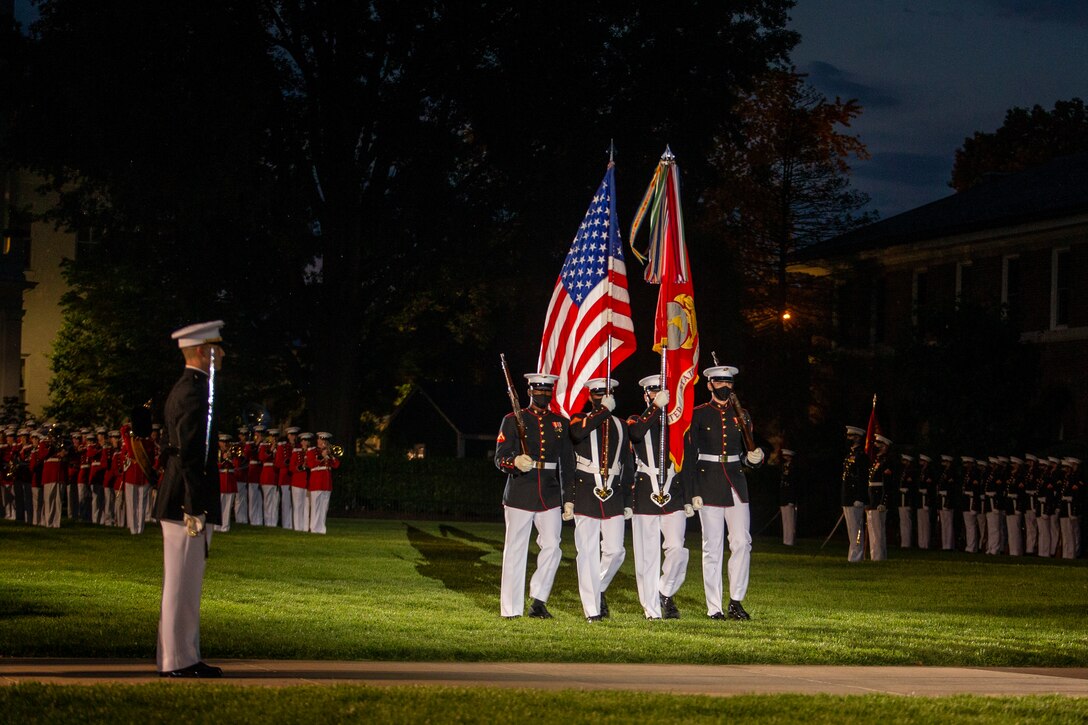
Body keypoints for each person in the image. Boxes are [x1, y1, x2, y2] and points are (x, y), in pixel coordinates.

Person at [153, 320, 225, 678]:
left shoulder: (193, 389)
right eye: (216, 348)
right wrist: (194, 505)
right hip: (185, 501)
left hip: (184, 498)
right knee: (181, 585)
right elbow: (188, 455)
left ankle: (183, 656)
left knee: (185, 584)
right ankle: (177, 660)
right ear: (201, 351)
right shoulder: (192, 392)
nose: (221, 353)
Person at [684, 365, 764, 621]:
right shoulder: (698, 414)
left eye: (729, 383)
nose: (725, 387)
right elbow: (690, 456)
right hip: (708, 482)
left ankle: (736, 601)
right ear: (709, 385)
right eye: (719, 382)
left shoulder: (742, 415)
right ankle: (714, 606)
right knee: (712, 546)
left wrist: (754, 459)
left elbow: (744, 451)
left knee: (742, 542)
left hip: (736, 483)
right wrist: (692, 491)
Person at [494, 372, 573, 619]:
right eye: (539, 391)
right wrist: (514, 461)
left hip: (549, 493)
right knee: (515, 549)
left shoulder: (560, 423)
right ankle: (511, 608)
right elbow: (500, 457)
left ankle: (538, 600)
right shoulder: (512, 420)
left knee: (553, 546)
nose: (543, 395)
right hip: (520, 490)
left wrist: (568, 497)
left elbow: (567, 464)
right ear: (529, 392)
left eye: (547, 391)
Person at [567, 377, 633, 622]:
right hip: (586, 490)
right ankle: (592, 610)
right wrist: (603, 411)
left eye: (606, 394)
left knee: (616, 551)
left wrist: (628, 500)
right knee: (587, 552)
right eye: (597, 394)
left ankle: (599, 587)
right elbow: (577, 434)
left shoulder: (621, 425)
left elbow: (627, 464)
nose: (601, 398)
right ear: (590, 396)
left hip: (613, 491)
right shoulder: (578, 419)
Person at [626, 374, 692, 620]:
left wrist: (688, 496)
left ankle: (665, 591)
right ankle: (651, 608)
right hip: (646, 489)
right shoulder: (637, 418)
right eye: (652, 392)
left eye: (660, 391)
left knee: (677, 548)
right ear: (646, 395)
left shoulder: (676, 422)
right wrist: (655, 407)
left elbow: (687, 460)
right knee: (647, 555)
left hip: (673, 489)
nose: (656, 394)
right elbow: (636, 433)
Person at [866, 434, 892, 561]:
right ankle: (876, 555)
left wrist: (883, 501)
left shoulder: (887, 462)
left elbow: (887, 483)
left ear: (884, 446)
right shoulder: (878, 460)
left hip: (878, 498)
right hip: (873, 498)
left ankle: (878, 556)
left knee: (877, 529)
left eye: (878, 444)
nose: (876, 446)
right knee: (873, 528)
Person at [307, 432, 340, 534]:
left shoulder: (329, 452)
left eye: (323, 440)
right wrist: (322, 456)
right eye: (320, 439)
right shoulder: (312, 451)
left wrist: (331, 455)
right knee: (315, 507)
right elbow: (310, 464)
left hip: (326, 484)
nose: (320, 441)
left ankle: (321, 529)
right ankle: (314, 529)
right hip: (316, 482)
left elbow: (336, 465)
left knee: (324, 508)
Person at [258, 427, 280, 526]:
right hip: (267, 476)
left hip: (276, 477)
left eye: (276, 436)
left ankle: (273, 523)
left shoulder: (280, 447)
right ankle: (267, 522)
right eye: (272, 436)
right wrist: (271, 450)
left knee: (275, 501)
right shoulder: (264, 446)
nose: (274, 438)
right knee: (267, 501)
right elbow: (261, 457)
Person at [936, 454, 957, 551]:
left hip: (947, 499)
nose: (943, 463)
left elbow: (951, 488)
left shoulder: (951, 473)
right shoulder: (944, 472)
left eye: (944, 462)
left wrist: (948, 500)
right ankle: (945, 544)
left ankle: (948, 545)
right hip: (942, 498)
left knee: (948, 523)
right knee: (944, 522)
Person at [778, 449, 797, 546]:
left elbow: (793, 485)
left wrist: (791, 499)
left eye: (786, 456)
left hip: (789, 497)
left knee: (790, 520)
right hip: (784, 497)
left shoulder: (793, 468)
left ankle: (790, 541)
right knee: (785, 519)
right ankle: (785, 540)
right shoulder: (783, 467)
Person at [896, 453, 915, 548]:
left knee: (906, 521)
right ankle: (904, 542)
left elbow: (910, 486)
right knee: (903, 521)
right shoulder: (904, 471)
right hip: (902, 499)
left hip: (906, 499)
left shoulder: (911, 472)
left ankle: (907, 542)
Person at [915, 454, 934, 549]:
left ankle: (926, 543)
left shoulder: (929, 472)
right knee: (921, 522)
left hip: (925, 499)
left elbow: (929, 487)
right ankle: (921, 543)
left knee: (925, 522)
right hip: (920, 499)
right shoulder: (921, 472)